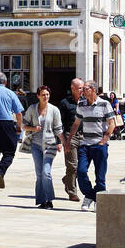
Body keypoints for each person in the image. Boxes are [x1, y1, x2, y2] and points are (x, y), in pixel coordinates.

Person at [70, 80, 116, 211]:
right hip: (85, 144)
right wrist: (68, 140)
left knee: (100, 177)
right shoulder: (81, 104)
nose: (82, 91)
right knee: (81, 171)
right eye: (83, 89)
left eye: (85, 89)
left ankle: (98, 201)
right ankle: (90, 196)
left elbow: (112, 123)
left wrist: (104, 140)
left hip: (99, 145)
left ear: (94, 90)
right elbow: (76, 123)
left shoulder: (104, 104)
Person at [23, 85, 64, 209]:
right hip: (35, 145)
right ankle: (42, 200)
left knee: (46, 172)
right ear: (38, 96)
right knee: (39, 174)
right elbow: (24, 125)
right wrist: (33, 128)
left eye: (47, 94)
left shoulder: (54, 110)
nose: (45, 97)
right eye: (43, 95)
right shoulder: (32, 109)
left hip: (50, 144)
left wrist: (61, 142)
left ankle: (50, 199)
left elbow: (58, 128)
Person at [56, 79, 84, 203]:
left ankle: (67, 180)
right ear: (72, 89)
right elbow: (58, 123)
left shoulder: (86, 102)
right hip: (70, 137)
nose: (82, 90)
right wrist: (59, 141)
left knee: (83, 166)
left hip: (84, 137)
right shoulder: (65, 103)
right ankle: (72, 192)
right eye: (79, 88)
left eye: (83, 88)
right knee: (72, 165)